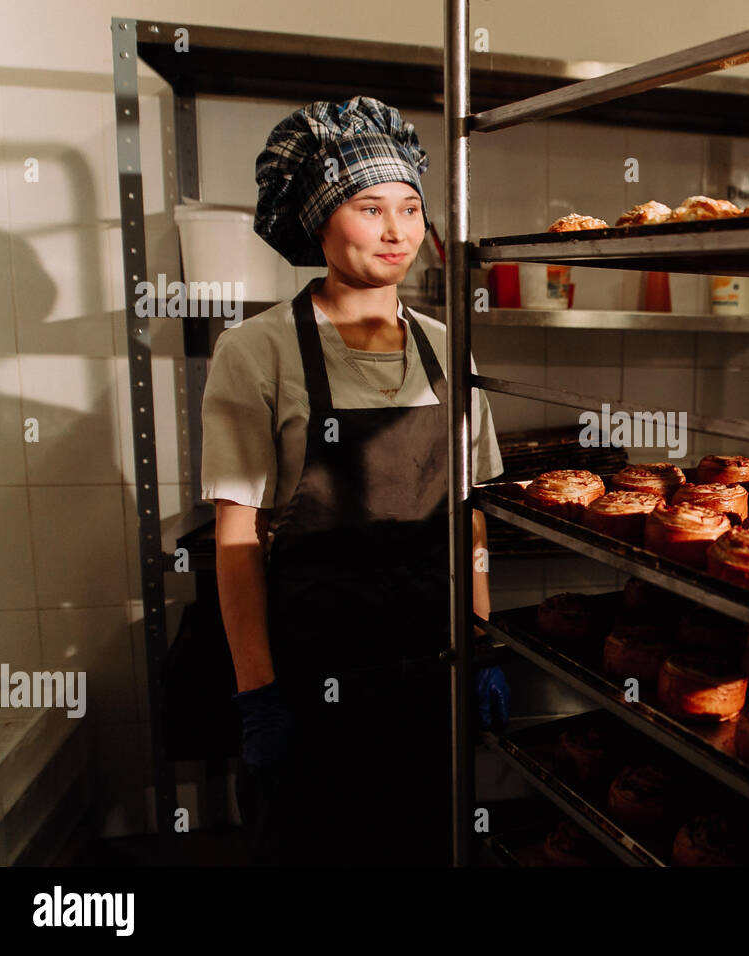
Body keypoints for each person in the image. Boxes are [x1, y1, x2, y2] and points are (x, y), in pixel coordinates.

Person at [200, 96, 508, 866]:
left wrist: (482, 642)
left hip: (427, 681)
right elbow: (237, 539)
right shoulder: (256, 352)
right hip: (309, 686)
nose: (398, 231)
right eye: (369, 208)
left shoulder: (450, 349)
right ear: (319, 223)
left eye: (409, 207)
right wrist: (259, 695)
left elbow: (470, 519)